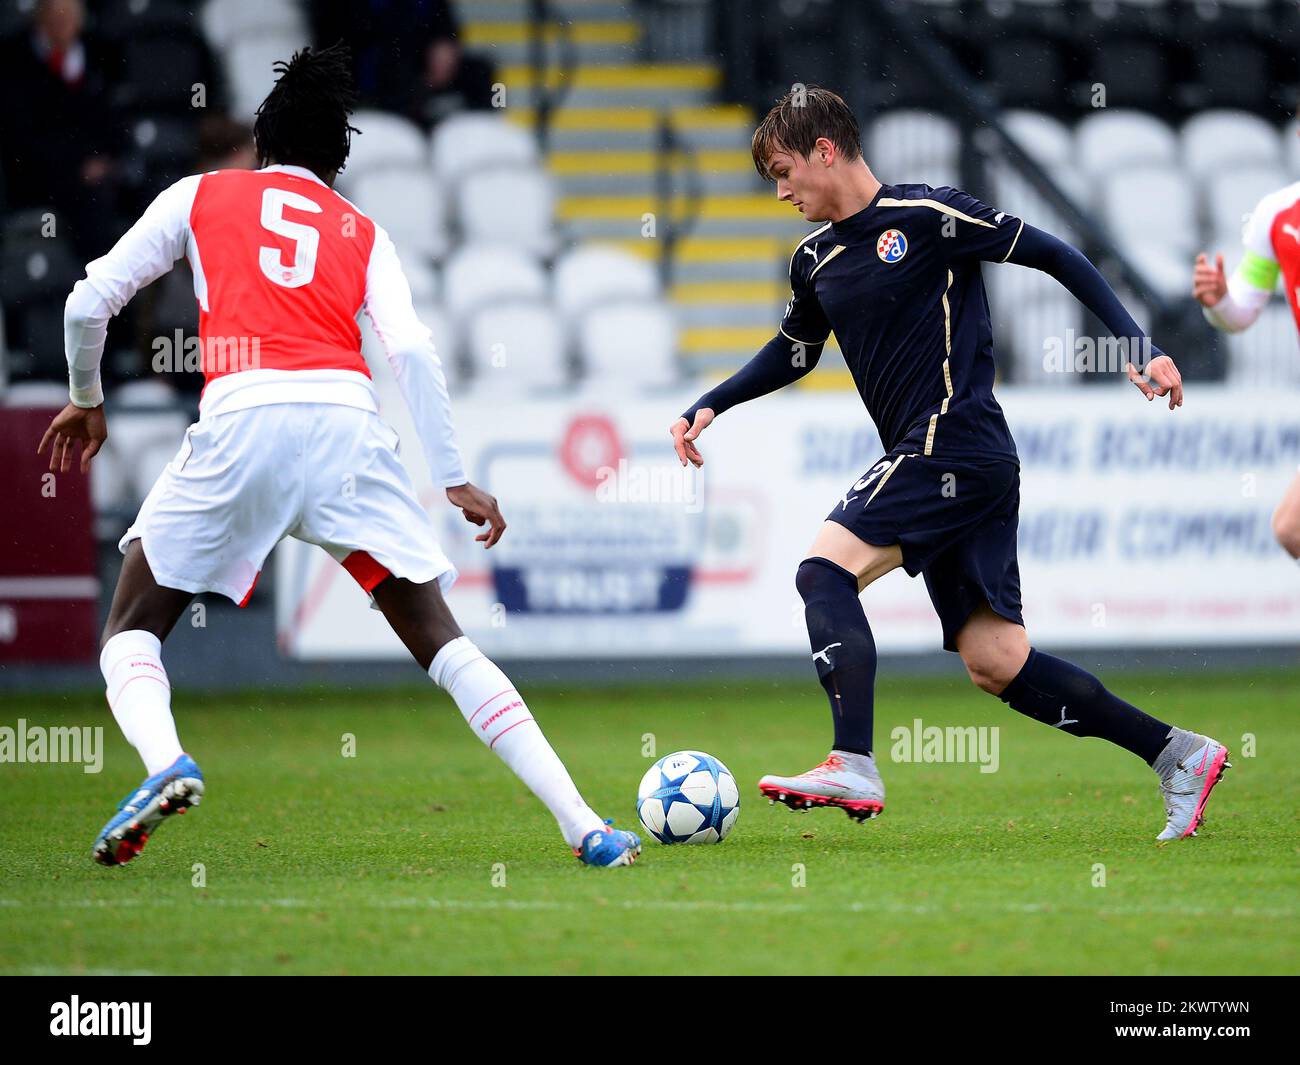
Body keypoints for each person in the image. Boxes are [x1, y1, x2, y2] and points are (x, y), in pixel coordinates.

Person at [38, 45, 640, 869]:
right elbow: (415, 352)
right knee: (443, 641)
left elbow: (87, 300)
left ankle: (165, 762)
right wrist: (454, 474)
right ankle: (587, 827)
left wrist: (88, 395)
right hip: (347, 429)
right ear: (341, 159)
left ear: (262, 143)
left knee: (131, 630)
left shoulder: (200, 195)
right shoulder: (363, 229)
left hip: (244, 414)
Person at [669, 87, 1229, 842]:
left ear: (825, 151)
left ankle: (852, 758)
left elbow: (1056, 254)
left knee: (822, 569)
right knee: (997, 660)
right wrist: (716, 401)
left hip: (953, 441)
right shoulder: (814, 259)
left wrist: (1140, 344)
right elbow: (796, 350)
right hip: (956, 460)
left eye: (784, 170)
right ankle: (1178, 754)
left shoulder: (928, 218)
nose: (780, 191)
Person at [1193, 162, 1300, 560]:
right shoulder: (1277, 213)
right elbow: (1239, 314)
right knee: (1291, 530)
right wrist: (1218, 299)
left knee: (1291, 526)